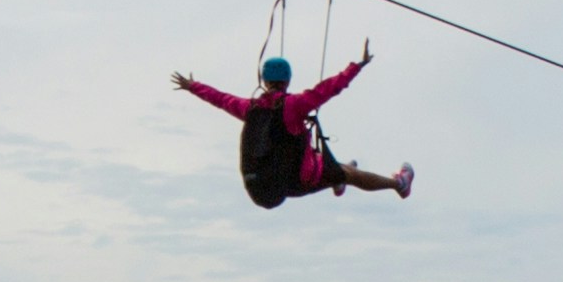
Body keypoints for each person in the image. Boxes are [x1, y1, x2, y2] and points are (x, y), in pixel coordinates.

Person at [176, 51, 416, 204]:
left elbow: (220, 99)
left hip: (263, 188)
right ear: (287, 80)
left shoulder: (250, 108)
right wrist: (357, 66)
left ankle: (335, 179)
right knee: (349, 173)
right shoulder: (293, 105)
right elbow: (329, 88)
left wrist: (193, 86)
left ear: (263, 80)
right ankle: (399, 185)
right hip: (295, 181)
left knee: (332, 166)